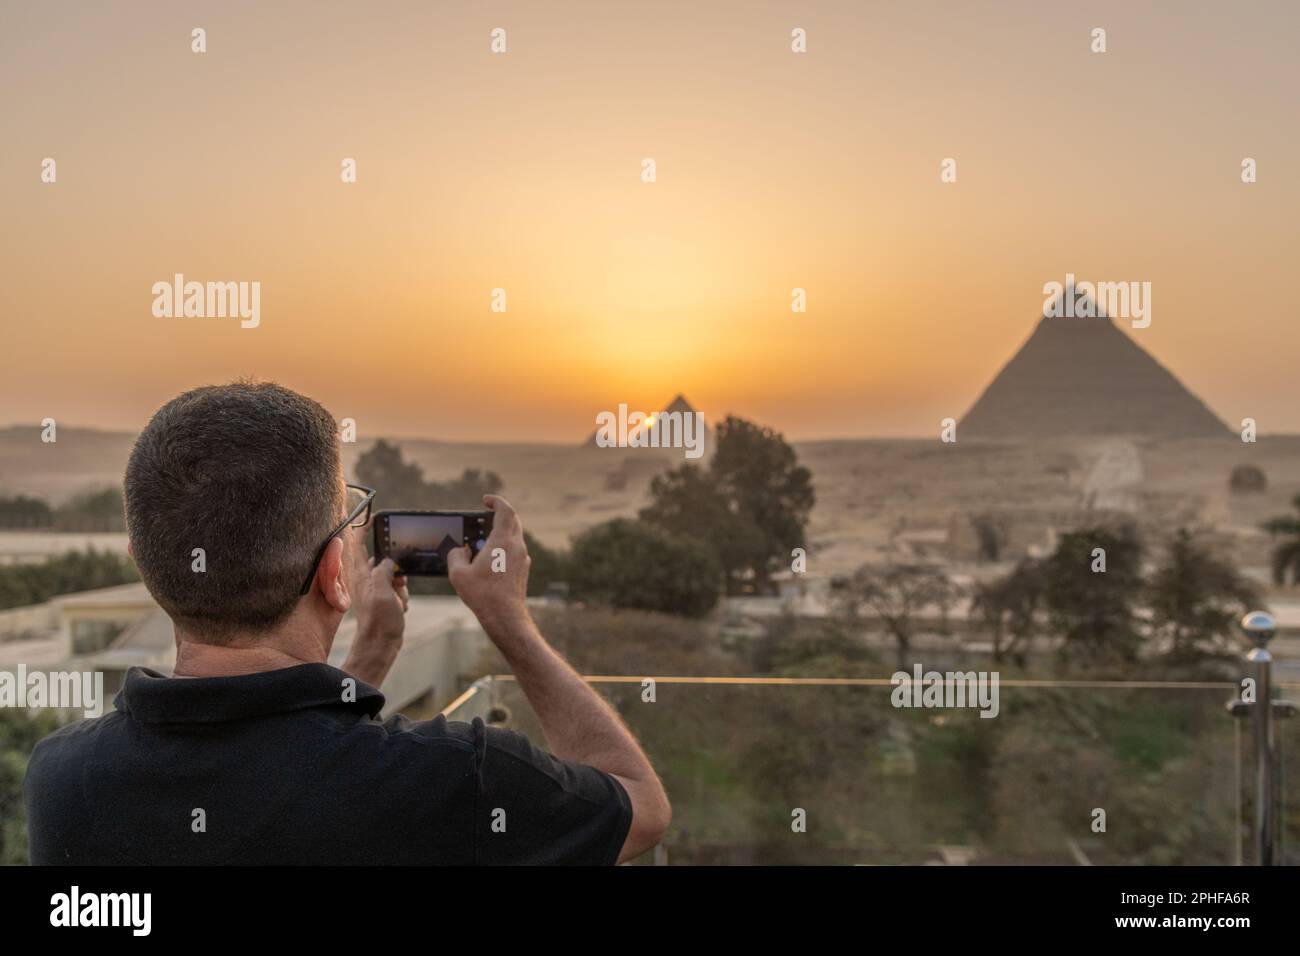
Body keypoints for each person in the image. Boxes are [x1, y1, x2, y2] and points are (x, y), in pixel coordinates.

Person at [24, 382, 670, 864]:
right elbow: (639, 806)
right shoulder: (455, 779)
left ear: (146, 565)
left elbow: (278, 778)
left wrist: (368, 658)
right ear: (337, 571)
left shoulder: (63, 781)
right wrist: (510, 622)